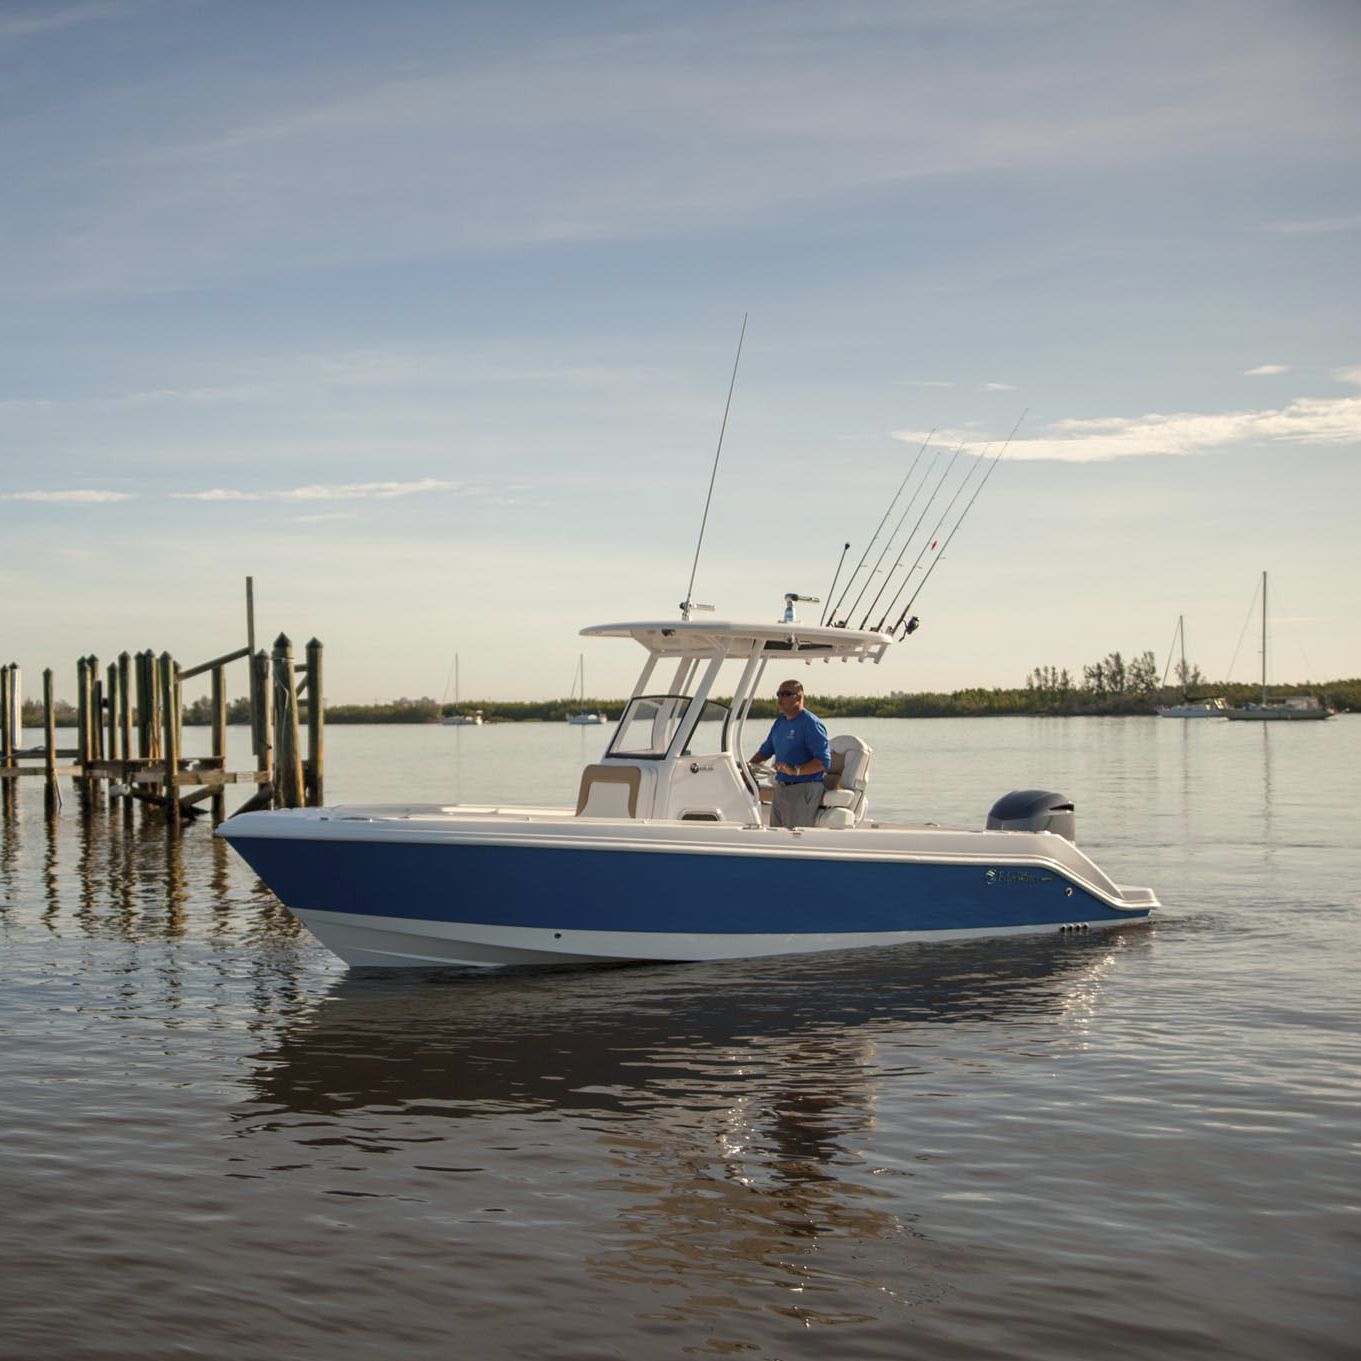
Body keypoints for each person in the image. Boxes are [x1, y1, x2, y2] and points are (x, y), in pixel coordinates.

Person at [748, 679, 830, 828]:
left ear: (798, 697)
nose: (780, 698)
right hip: (781, 788)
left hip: (803, 789)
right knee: (776, 836)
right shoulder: (780, 723)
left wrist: (795, 770)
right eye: (778, 694)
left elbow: (822, 762)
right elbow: (764, 753)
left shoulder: (811, 724)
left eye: (785, 694)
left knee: (796, 838)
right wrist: (746, 770)